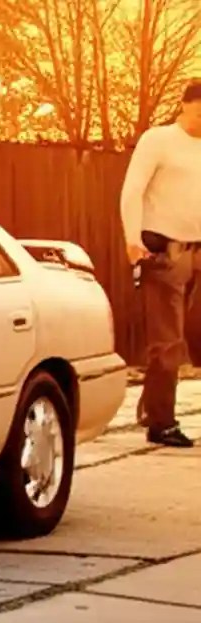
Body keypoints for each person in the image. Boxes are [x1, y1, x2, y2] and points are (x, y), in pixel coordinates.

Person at [120, 79, 201, 448]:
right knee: (168, 342)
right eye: (198, 111)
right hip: (165, 253)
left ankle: (152, 405)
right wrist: (132, 239)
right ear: (184, 106)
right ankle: (161, 423)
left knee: (189, 338)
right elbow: (132, 190)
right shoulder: (158, 140)